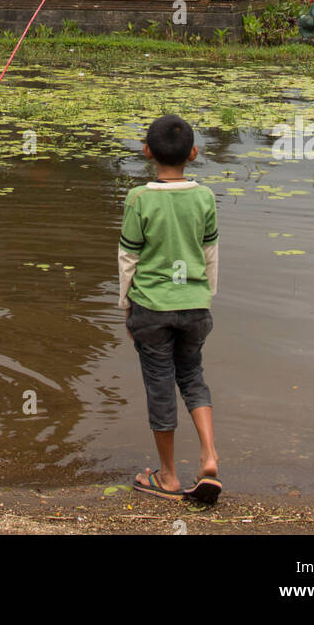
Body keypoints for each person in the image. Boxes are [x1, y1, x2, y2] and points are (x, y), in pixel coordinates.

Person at [118, 113, 221, 502]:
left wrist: (126, 305)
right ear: (193, 154)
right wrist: (204, 295)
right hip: (195, 306)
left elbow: (128, 258)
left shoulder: (139, 198)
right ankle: (209, 455)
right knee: (192, 377)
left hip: (152, 308)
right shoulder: (205, 197)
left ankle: (169, 476)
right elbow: (210, 252)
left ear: (147, 152)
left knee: (160, 384)